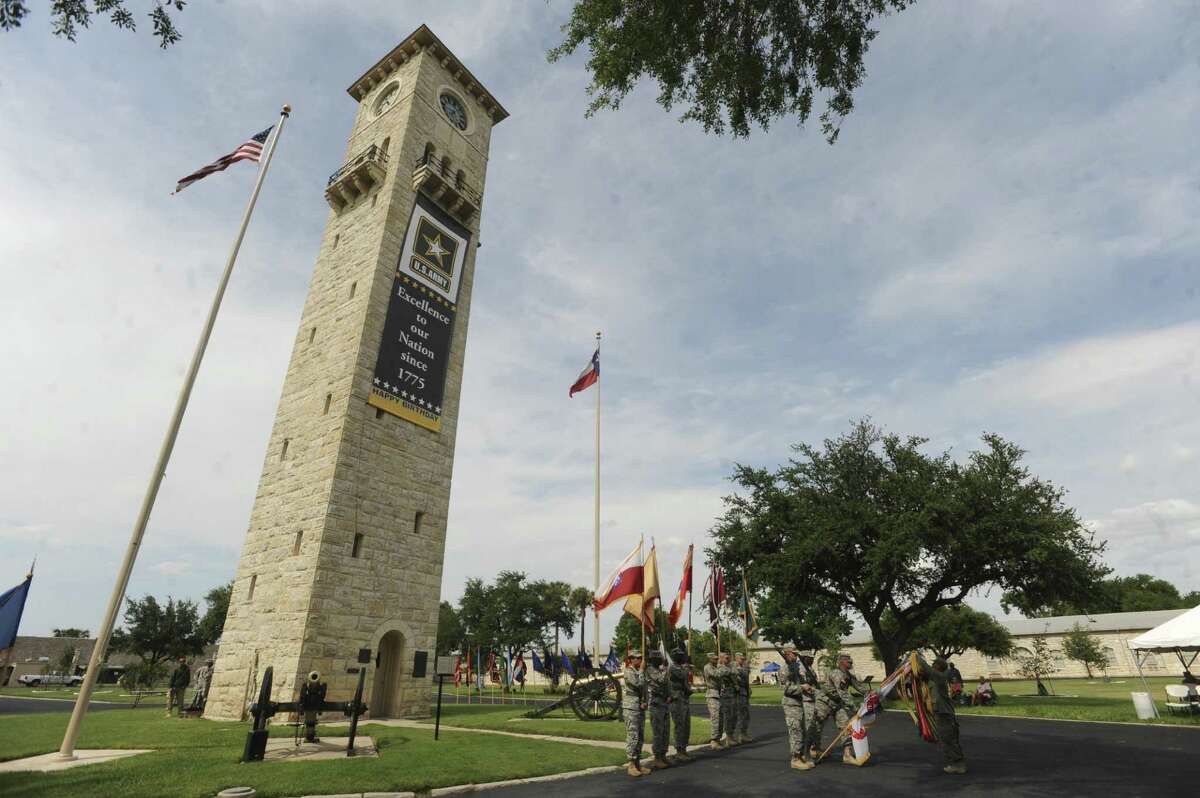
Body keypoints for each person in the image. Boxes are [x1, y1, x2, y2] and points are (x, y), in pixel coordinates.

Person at [915, 655, 967, 774]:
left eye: (934, 664)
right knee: (946, 738)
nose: (932, 666)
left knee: (949, 738)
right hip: (941, 713)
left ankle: (958, 764)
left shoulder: (941, 677)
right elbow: (924, 675)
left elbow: (928, 670)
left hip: (945, 714)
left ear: (938, 667)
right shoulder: (935, 679)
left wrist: (917, 658)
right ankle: (956, 763)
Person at [815, 653, 869, 765]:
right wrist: (855, 709)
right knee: (817, 726)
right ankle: (813, 750)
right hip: (824, 702)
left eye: (851, 661)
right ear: (842, 662)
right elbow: (844, 694)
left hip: (837, 704)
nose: (851, 663)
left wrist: (872, 693)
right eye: (848, 662)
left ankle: (847, 755)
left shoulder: (848, 675)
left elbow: (859, 687)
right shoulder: (837, 674)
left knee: (846, 726)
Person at [780, 645, 814, 771]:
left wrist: (807, 687)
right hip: (790, 704)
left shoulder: (796, 667)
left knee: (801, 730)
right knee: (796, 731)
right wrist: (802, 688)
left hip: (798, 703)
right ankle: (795, 759)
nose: (796, 656)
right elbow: (786, 689)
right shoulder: (784, 669)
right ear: (788, 654)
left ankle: (800, 755)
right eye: (794, 654)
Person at [622, 651, 652, 777]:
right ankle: (631, 764)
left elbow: (645, 688)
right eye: (638, 658)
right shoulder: (628, 671)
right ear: (631, 659)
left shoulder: (640, 671)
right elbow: (638, 684)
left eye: (641, 657)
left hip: (639, 706)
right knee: (633, 736)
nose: (640, 659)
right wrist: (641, 670)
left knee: (640, 736)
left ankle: (638, 763)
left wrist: (645, 701)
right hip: (631, 707)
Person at [646, 651, 672, 769]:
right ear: (653, 660)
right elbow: (661, 680)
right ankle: (657, 757)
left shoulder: (660, 670)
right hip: (656, 704)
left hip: (664, 702)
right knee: (658, 731)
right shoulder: (650, 670)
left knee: (666, 730)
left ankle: (663, 755)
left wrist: (669, 694)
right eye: (659, 658)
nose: (661, 660)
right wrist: (666, 669)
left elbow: (666, 683)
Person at [667, 648, 694, 763]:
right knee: (679, 725)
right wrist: (687, 667)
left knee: (686, 725)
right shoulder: (673, 667)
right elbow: (683, 675)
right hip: (676, 699)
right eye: (681, 656)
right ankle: (679, 750)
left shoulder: (681, 667)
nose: (683, 657)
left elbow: (686, 682)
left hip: (684, 698)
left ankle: (684, 749)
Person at [702, 653, 726, 749]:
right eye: (714, 659)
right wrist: (722, 666)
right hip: (712, 694)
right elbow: (717, 675)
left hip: (718, 694)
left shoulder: (716, 667)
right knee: (715, 718)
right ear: (710, 659)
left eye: (717, 659)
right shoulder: (708, 667)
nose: (716, 660)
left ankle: (718, 739)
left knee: (720, 718)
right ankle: (714, 740)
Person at [718, 652, 739, 746]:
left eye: (729, 658)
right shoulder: (719, 667)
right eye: (726, 658)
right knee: (727, 716)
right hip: (725, 694)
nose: (728, 660)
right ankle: (728, 737)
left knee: (734, 715)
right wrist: (731, 670)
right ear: (721, 658)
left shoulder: (730, 666)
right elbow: (730, 672)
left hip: (732, 693)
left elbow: (736, 673)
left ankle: (731, 735)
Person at [734, 652, 753, 743]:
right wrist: (745, 669)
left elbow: (746, 680)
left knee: (746, 715)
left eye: (744, 659)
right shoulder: (735, 668)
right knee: (741, 715)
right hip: (739, 694)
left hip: (744, 693)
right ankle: (740, 735)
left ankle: (744, 734)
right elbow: (739, 679)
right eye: (741, 659)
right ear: (736, 659)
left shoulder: (743, 668)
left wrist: (748, 688)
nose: (743, 660)